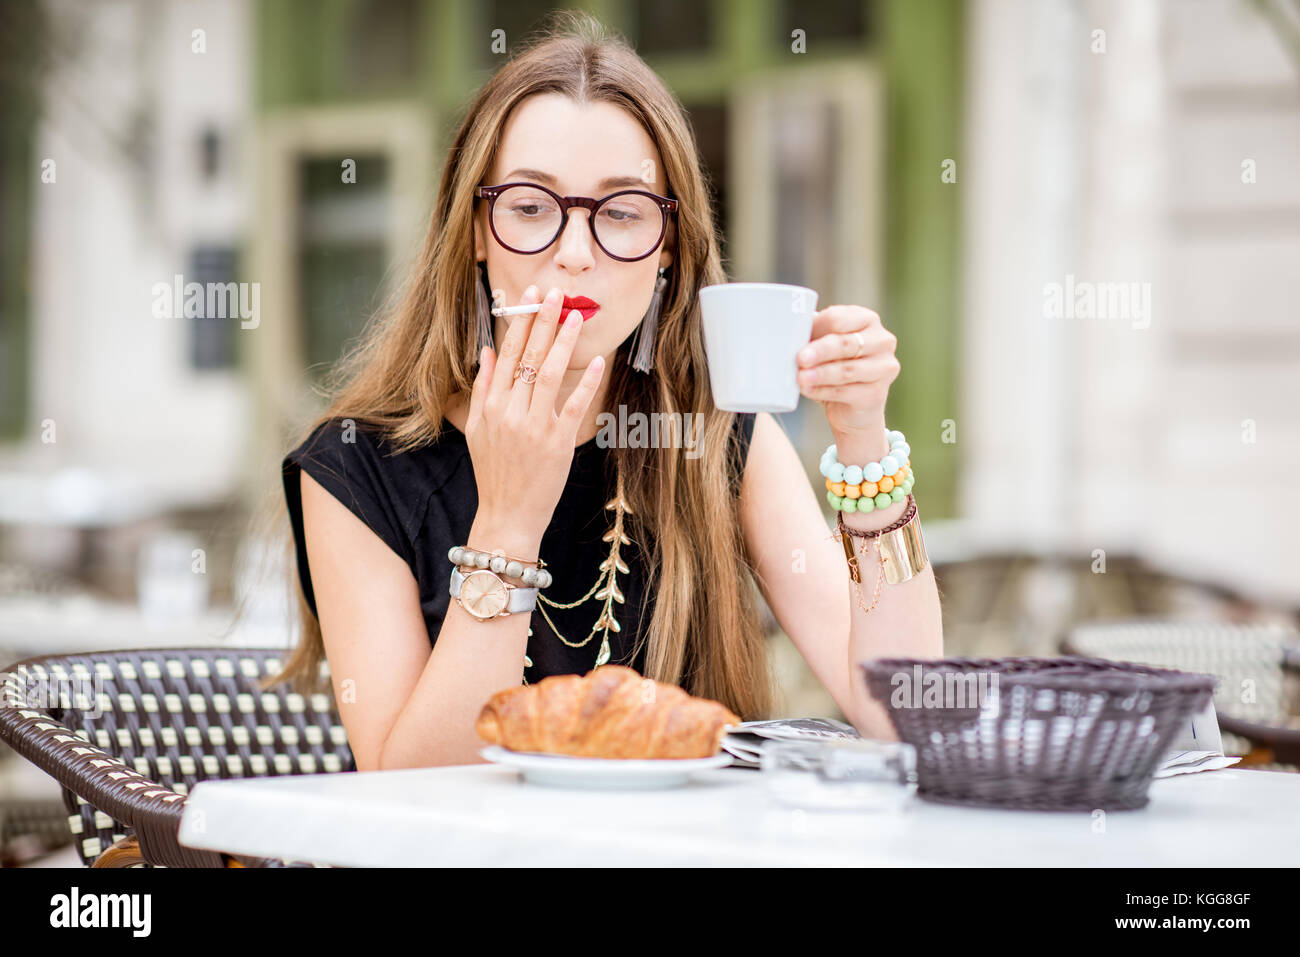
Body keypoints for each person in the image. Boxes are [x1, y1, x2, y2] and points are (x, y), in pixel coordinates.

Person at [274, 11, 942, 771]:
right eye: (531, 207)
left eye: (621, 212)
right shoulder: (357, 467)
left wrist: (865, 445)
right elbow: (414, 797)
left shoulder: (715, 433)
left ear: (668, 249)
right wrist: (508, 523)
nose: (576, 253)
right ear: (474, 234)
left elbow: (909, 717)